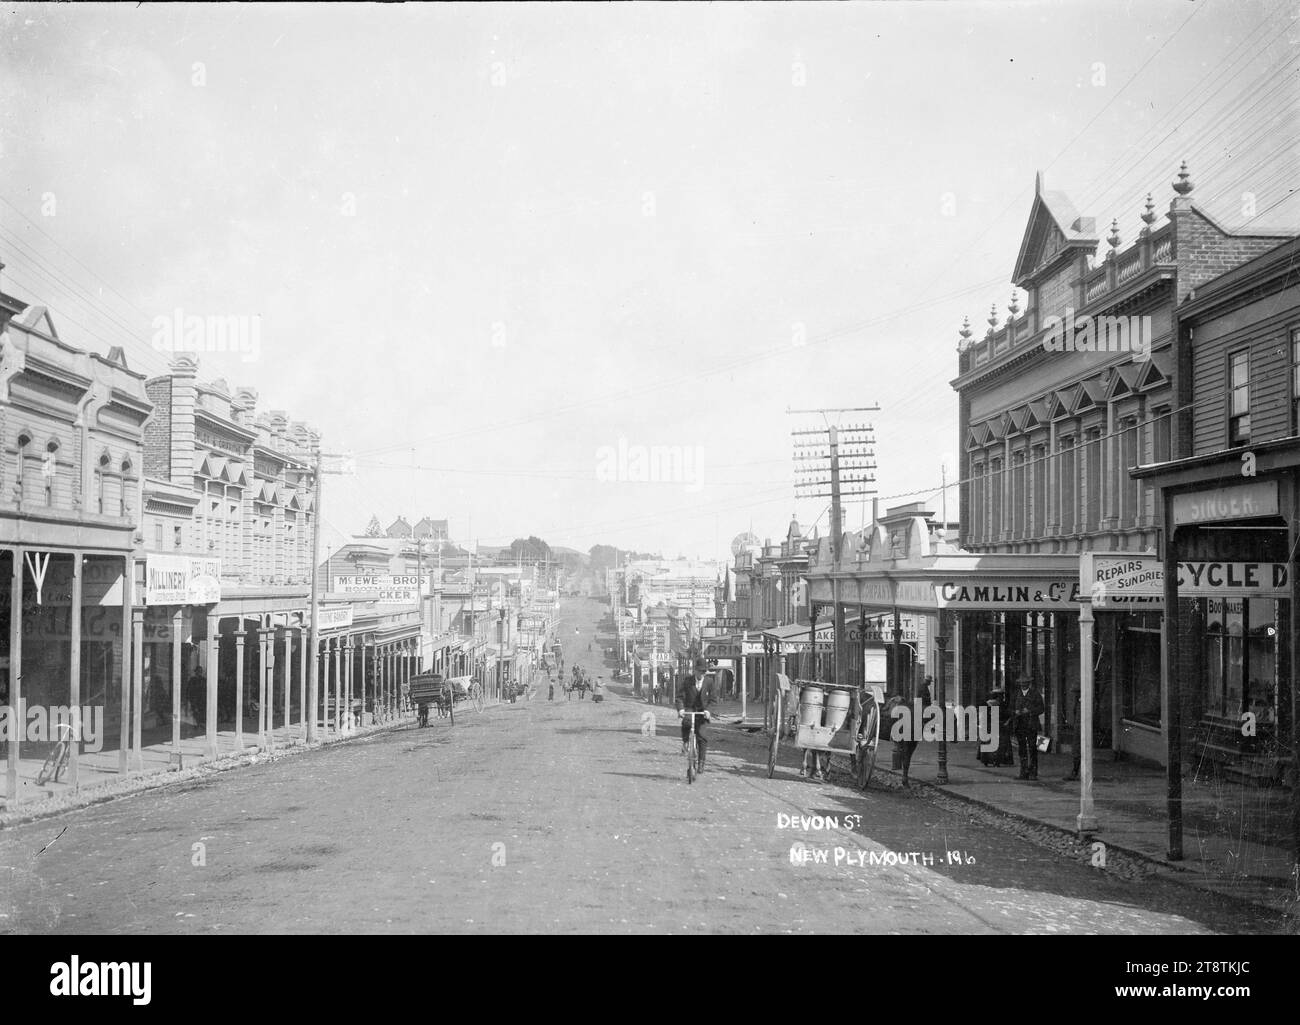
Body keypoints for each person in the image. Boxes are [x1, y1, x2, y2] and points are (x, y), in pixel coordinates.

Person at [675, 656, 716, 773]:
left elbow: (713, 699)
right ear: (695, 670)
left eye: (703, 671)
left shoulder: (709, 682)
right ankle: (685, 742)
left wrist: (708, 710)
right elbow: (679, 697)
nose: (701, 674)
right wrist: (681, 709)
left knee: (702, 737)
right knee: (686, 723)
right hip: (689, 709)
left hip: (703, 712)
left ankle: (701, 762)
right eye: (699, 671)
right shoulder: (687, 681)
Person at [1012, 672, 1046, 781]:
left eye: (1025, 683)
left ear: (1029, 683)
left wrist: (1030, 711)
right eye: (1022, 683)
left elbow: (1041, 708)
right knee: (1022, 750)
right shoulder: (1016, 694)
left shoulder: (1035, 694)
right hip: (1020, 725)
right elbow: (1010, 708)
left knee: (1032, 749)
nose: (1023, 685)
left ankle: (1033, 773)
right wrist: (1015, 712)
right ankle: (1023, 772)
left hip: (1031, 725)